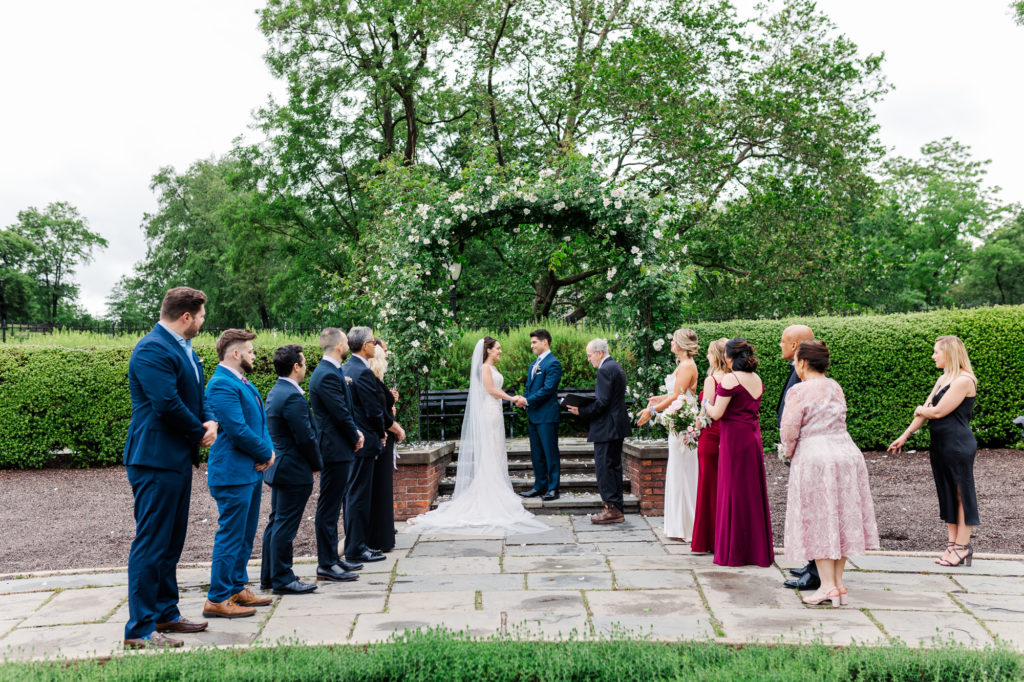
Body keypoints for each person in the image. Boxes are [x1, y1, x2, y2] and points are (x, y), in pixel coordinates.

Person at [122, 286, 218, 649]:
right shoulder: (151, 349)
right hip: (154, 459)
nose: (204, 322)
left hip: (175, 459)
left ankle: (165, 613)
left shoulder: (184, 349)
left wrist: (209, 420)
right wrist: (199, 433)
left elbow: (197, 394)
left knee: (170, 543)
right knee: (151, 543)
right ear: (186, 316)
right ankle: (140, 630)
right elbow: (166, 403)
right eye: (202, 316)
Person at [406, 337, 548, 535]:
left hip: (495, 412)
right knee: (490, 452)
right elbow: (490, 390)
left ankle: (495, 489)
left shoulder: (491, 368)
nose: (500, 351)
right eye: (497, 348)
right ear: (488, 350)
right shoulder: (484, 369)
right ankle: (488, 494)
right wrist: (512, 398)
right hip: (489, 412)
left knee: (496, 452)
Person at [781, 341, 880, 607]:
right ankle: (837, 584)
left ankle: (826, 586)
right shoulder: (835, 386)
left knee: (821, 520)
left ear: (802, 363)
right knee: (841, 518)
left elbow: (789, 429)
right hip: (846, 453)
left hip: (816, 456)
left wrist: (788, 451)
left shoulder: (798, 391)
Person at [202, 329, 276, 619]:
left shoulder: (241, 382)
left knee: (245, 535)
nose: (253, 355)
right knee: (231, 536)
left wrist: (268, 450)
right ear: (236, 354)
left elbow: (259, 424)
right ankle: (217, 598)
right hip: (233, 473)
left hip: (250, 471)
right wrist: (265, 453)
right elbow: (237, 429)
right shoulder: (220, 384)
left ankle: (236, 587)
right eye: (250, 350)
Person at [888, 335, 979, 567]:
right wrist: (905, 435)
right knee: (947, 492)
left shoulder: (964, 380)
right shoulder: (943, 379)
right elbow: (925, 412)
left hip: (958, 444)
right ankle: (951, 547)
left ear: (949, 353)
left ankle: (963, 547)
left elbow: (936, 411)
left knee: (961, 494)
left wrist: (922, 408)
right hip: (940, 444)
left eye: (936, 352)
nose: (933, 356)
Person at [703, 338, 773, 568]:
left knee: (732, 491)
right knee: (752, 491)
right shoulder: (756, 378)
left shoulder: (732, 379)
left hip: (734, 440)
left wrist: (705, 404)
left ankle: (735, 552)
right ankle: (756, 550)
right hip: (753, 438)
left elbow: (716, 413)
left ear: (729, 357)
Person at [260, 345, 321, 595]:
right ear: (296, 366)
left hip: (281, 466)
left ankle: (269, 576)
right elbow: (305, 437)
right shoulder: (292, 395)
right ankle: (283, 577)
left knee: (276, 522)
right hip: (292, 469)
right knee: (285, 525)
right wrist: (317, 464)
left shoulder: (277, 391)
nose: (306, 366)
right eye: (304, 362)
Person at [309, 328, 363, 583]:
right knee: (329, 507)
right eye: (345, 341)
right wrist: (355, 435)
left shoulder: (333, 371)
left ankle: (333, 558)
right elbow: (339, 412)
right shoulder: (326, 374)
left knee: (335, 503)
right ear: (340, 346)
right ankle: (326, 563)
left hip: (339, 447)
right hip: (333, 449)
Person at [636, 329, 700, 540]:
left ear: (680, 345)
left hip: (682, 425)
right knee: (677, 470)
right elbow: (677, 394)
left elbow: (677, 398)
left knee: (682, 472)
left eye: (673, 341)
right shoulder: (683, 365)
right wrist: (659, 398)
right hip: (679, 421)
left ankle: (685, 528)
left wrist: (652, 410)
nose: (671, 344)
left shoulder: (686, 366)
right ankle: (679, 526)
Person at [568, 338, 631, 524]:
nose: (589, 360)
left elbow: (602, 402)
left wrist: (581, 410)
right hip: (615, 426)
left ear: (600, 353)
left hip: (607, 428)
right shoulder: (615, 367)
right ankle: (616, 507)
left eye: (589, 355)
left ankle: (611, 509)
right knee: (613, 468)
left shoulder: (605, 369)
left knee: (605, 469)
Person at [777, 325, 821, 591]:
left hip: (808, 453)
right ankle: (812, 564)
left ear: (795, 346)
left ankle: (816, 573)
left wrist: (789, 449)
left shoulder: (808, 378)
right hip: (801, 451)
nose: (780, 345)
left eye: (783, 341)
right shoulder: (798, 372)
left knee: (814, 511)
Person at [342, 327, 388, 563]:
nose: (375, 346)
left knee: (353, 494)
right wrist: (381, 434)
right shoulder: (362, 372)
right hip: (365, 441)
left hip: (351, 441)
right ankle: (357, 548)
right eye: (372, 342)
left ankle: (355, 544)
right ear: (364, 346)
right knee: (359, 496)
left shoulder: (346, 369)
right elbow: (373, 411)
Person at [692, 337, 729, 554]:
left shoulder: (712, 379)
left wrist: (694, 430)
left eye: (708, 352)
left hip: (710, 437)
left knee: (707, 488)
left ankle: (708, 541)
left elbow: (705, 411)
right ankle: (722, 537)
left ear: (715, 355)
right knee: (722, 488)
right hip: (725, 436)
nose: (706, 356)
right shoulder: (734, 378)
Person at [515, 329, 563, 501]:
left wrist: (527, 401)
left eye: (534, 342)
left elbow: (548, 389)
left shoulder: (553, 363)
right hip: (533, 416)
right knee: (536, 454)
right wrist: (522, 399)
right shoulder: (533, 365)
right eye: (531, 342)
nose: (532, 345)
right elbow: (529, 387)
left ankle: (553, 488)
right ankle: (539, 486)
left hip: (547, 417)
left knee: (550, 454)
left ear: (545, 342)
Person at [367, 340, 406, 551]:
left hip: (385, 437)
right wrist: (394, 428)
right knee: (380, 489)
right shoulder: (371, 380)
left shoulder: (377, 381)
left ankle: (384, 533)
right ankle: (380, 538)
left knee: (384, 488)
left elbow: (386, 410)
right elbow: (378, 412)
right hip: (381, 438)